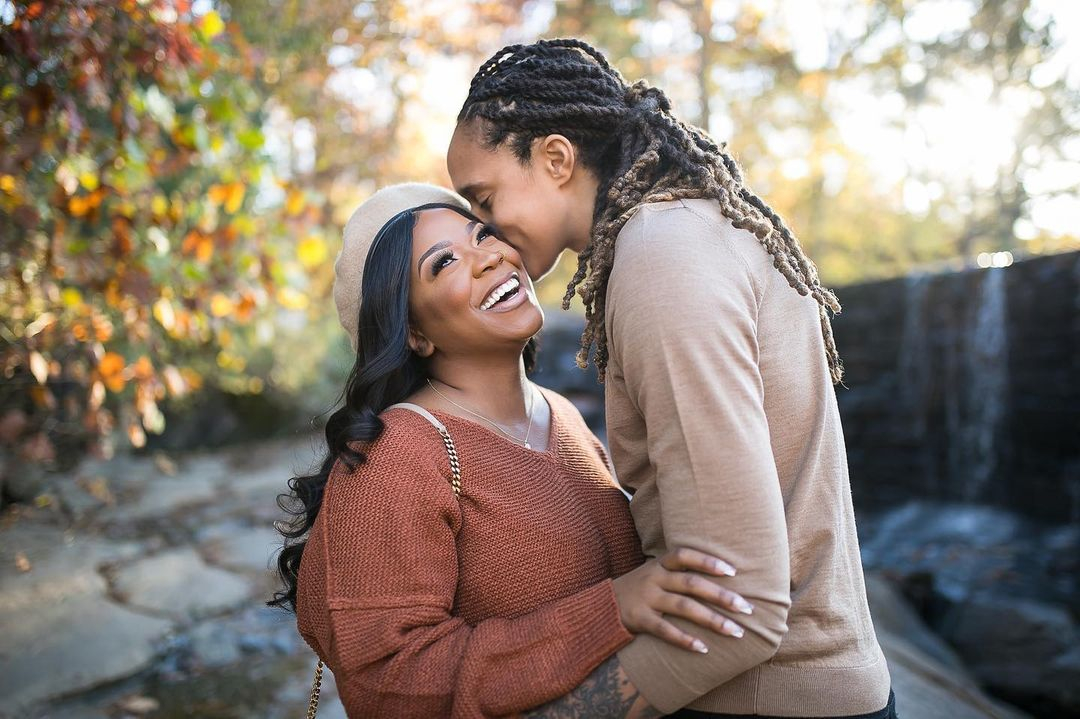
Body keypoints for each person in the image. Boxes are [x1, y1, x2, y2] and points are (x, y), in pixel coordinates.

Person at [446, 39, 898, 719]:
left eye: (483, 199)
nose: (484, 231)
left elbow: (738, 605)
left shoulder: (663, 258)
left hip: (765, 698)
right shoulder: (693, 229)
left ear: (556, 158)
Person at [268, 182, 756, 718]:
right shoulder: (398, 454)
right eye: (445, 262)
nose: (489, 258)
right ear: (413, 333)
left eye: (483, 234)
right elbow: (392, 682)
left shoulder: (560, 413)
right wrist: (611, 610)